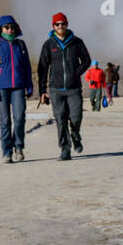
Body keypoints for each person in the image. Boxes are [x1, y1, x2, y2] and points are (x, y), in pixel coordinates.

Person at [37, 12, 92, 161]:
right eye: (57, 24)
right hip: (55, 89)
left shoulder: (77, 42)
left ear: (67, 24)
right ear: (53, 26)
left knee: (76, 117)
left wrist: (76, 73)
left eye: (63, 23)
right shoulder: (48, 44)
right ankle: (65, 149)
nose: (60, 26)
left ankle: (75, 136)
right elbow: (42, 68)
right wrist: (42, 91)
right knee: (60, 119)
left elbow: (87, 60)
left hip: (73, 88)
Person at [0, 15, 33, 163]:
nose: (10, 29)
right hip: (2, 89)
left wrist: (29, 86)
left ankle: (18, 147)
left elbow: (27, 67)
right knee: (5, 121)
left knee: (19, 118)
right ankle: (7, 151)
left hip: (19, 87)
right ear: (1, 29)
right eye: (6, 27)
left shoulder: (21, 45)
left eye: (12, 26)